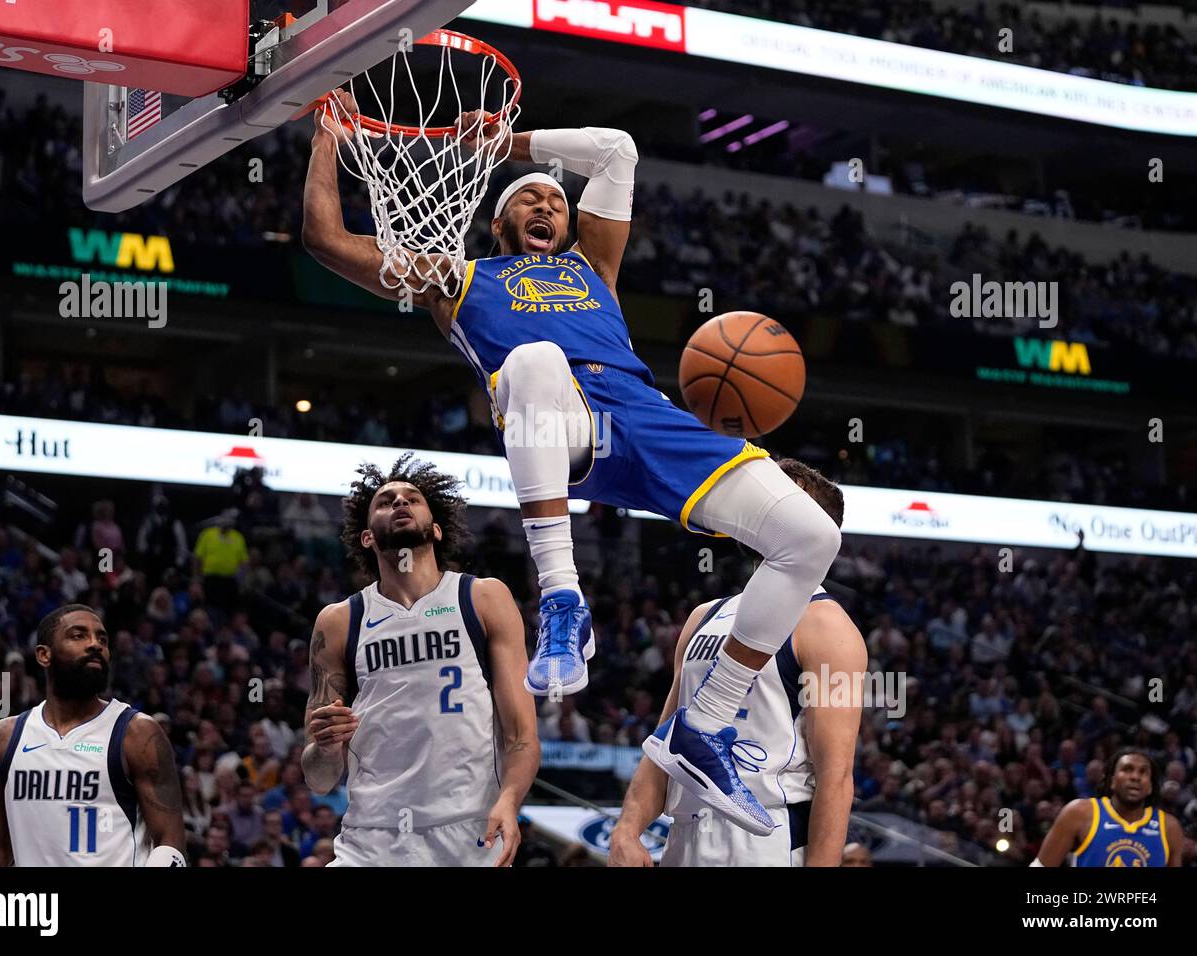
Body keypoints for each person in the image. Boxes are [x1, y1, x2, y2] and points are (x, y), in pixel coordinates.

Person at [303, 93, 841, 835]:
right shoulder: (457, 278)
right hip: (559, 422)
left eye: (557, 199)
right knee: (533, 358)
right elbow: (326, 239)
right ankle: (562, 600)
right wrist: (329, 139)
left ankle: (707, 723)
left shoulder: (596, 264)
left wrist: (508, 146)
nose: (547, 205)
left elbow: (617, 147)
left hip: (648, 420)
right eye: (530, 199)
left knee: (812, 537)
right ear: (499, 222)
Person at [609, 461, 864, 866]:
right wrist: (627, 827)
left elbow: (836, 777)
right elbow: (665, 742)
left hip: (766, 841)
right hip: (685, 837)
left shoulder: (827, 627)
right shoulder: (705, 616)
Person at [301, 454, 538, 866]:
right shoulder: (339, 621)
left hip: (469, 829)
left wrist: (510, 801)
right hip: (371, 837)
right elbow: (319, 779)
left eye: (412, 498)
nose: (399, 502)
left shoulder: (483, 598)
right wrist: (323, 747)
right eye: (385, 500)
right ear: (366, 538)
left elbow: (521, 736)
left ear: (437, 528)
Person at [0, 604, 187, 866]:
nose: (95, 644)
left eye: (102, 639)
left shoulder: (136, 733)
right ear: (44, 655)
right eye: (78, 635)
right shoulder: (5, 738)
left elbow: (170, 845)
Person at [1034, 747, 1183, 867]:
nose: (1135, 777)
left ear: (1150, 786)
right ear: (1112, 780)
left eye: (1143, 772)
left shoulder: (1169, 827)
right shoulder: (1079, 813)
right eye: (1127, 769)